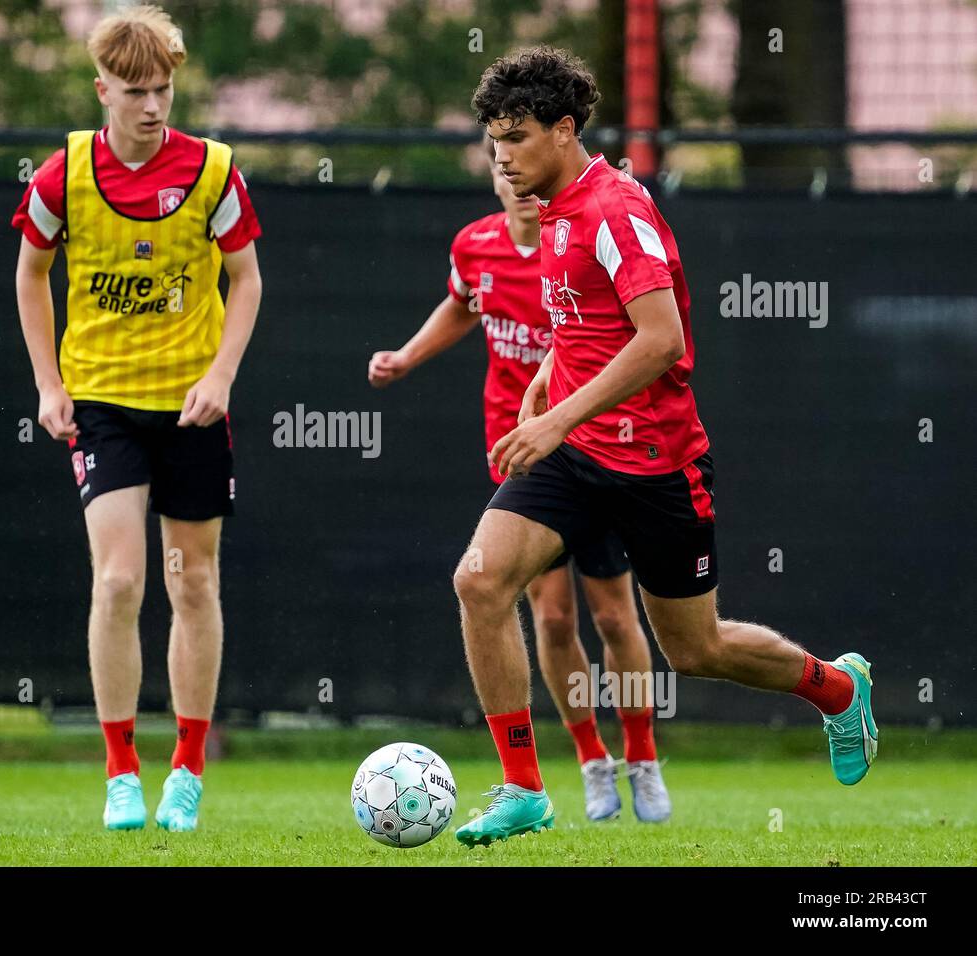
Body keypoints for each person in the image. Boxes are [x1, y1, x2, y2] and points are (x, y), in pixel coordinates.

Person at [450, 46, 877, 847]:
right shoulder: (556, 204)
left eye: (515, 135)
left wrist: (550, 417)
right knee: (480, 582)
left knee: (695, 649)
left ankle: (835, 690)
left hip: (657, 463)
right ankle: (522, 786)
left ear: (565, 129)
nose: (499, 154)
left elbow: (659, 339)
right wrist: (548, 372)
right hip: (579, 456)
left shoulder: (613, 210)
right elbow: (589, 315)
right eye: (492, 137)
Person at [368, 132, 670, 823]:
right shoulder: (475, 246)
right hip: (521, 455)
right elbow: (462, 303)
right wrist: (407, 358)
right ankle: (590, 761)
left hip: (598, 448)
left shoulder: (584, 237)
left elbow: (647, 333)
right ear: (494, 173)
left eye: (522, 153)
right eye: (500, 158)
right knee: (551, 615)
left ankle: (643, 759)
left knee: (615, 613)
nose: (515, 174)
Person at [12, 5, 262, 833]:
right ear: (102, 91)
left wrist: (223, 375)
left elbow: (248, 279)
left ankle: (187, 770)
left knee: (193, 585)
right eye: (135, 92)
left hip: (191, 406)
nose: (153, 107)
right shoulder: (65, 174)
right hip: (104, 404)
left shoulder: (215, 171)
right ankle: (121, 769)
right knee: (118, 581)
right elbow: (31, 275)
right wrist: (50, 387)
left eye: (163, 90)